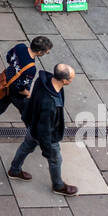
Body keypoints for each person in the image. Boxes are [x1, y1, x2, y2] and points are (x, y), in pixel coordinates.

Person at [7, 62, 77, 196]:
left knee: (26, 147)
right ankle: (58, 185)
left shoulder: (42, 80)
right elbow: (44, 130)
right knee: (56, 160)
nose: (72, 80)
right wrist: (47, 149)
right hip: (46, 134)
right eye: (71, 78)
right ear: (64, 80)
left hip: (32, 125)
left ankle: (14, 170)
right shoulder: (50, 103)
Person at [0, 35, 53, 139]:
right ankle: (35, 137)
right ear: (39, 52)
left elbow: (8, 57)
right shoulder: (31, 68)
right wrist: (29, 94)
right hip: (17, 94)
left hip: (7, 83)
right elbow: (21, 87)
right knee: (28, 114)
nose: (47, 53)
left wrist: (14, 69)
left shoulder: (20, 47)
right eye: (46, 51)